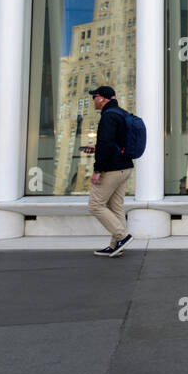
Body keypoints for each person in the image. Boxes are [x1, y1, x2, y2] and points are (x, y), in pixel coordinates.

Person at [85, 85, 133, 257]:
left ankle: (122, 236)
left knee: (95, 205)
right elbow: (114, 143)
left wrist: (98, 170)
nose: (93, 100)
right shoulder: (121, 113)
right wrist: (96, 148)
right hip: (125, 167)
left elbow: (106, 144)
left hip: (112, 169)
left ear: (102, 98)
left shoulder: (108, 116)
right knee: (115, 206)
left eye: (94, 97)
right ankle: (116, 245)